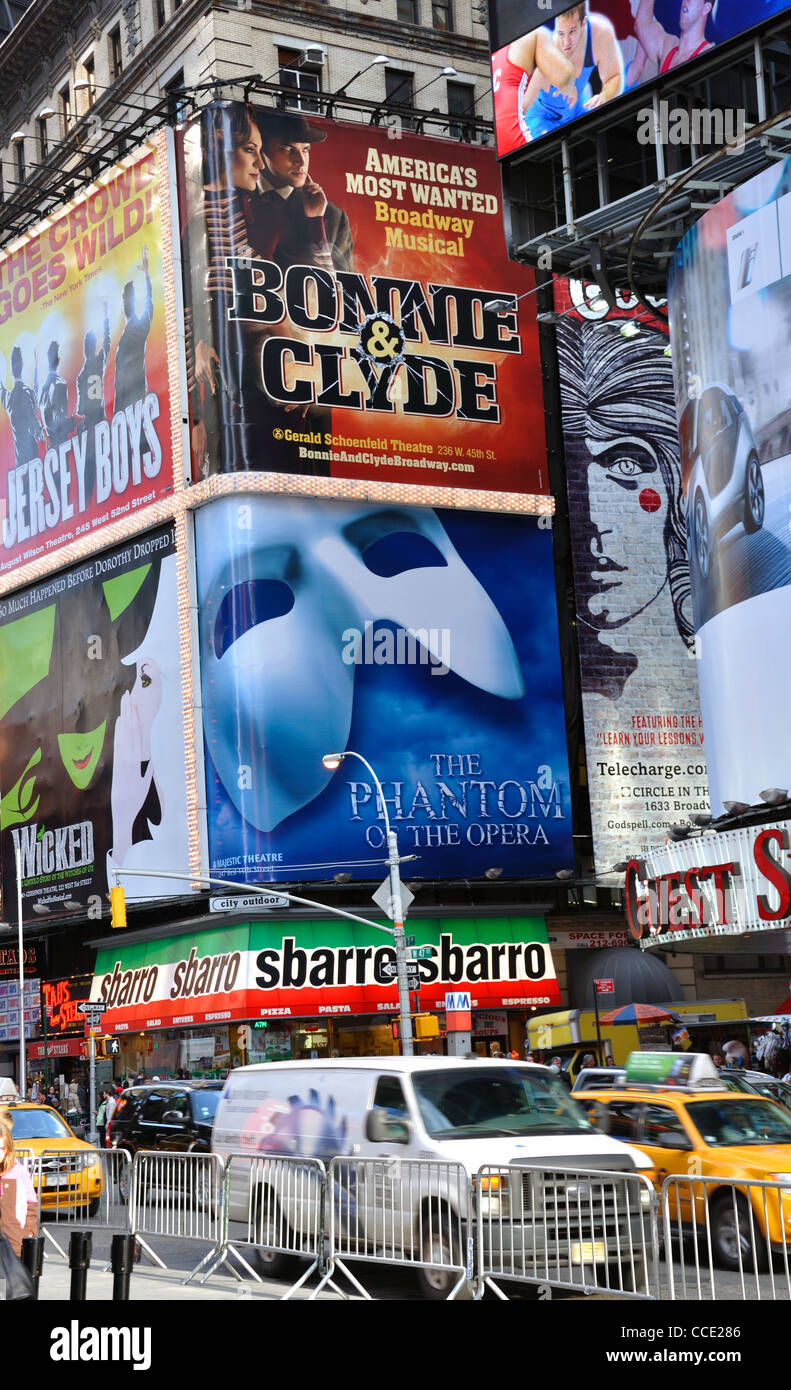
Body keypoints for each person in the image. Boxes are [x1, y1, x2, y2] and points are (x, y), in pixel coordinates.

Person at [256, 109, 354, 273]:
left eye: (305, 150)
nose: (301, 161)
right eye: (288, 150)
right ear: (262, 150)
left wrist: (316, 222)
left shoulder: (332, 216)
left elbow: (343, 289)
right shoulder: (234, 196)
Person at [522, 3, 624, 140]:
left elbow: (614, 77)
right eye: (561, 33)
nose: (566, 42)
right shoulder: (550, 56)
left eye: (572, 32)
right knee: (548, 142)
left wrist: (604, 96)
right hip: (542, 116)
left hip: (577, 109)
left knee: (606, 135)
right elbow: (521, 110)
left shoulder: (600, 35)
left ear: (584, 23)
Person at [492, 28, 575, 156]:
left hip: (500, 147)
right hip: (519, 139)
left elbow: (520, 105)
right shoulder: (535, 34)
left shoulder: (494, 55)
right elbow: (564, 78)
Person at [113, 245, 153, 415]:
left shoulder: (139, 327)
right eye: (124, 297)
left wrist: (147, 275)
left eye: (127, 297)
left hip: (135, 408)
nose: (125, 301)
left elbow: (149, 301)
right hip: (125, 412)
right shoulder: (133, 328)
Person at [635, 0, 713, 75]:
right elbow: (642, 24)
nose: (685, 1)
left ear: (706, 8)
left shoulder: (709, 56)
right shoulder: (668, 46)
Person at [0, 1108, 37, 1258]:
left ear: (8, 1149)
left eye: (2, 1148)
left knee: (7, 1281)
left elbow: (31, 1204)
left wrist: (27, 1231)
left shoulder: (18, 1171)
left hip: (13, 1244)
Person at [0, 345, 45, 467]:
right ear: (23, 365)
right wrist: (45, 436)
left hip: (19, 464)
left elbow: (1, 388)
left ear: (11, 372)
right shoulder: (28, 393)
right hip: (33, 462)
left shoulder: (8, 398)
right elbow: (34, 424)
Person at [38, 339, 75, 447]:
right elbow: (57, 422)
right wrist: (73, 421)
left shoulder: (42, 388)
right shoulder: (60, 384)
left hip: (50, 450)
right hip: (60, 445)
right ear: (58, 360)